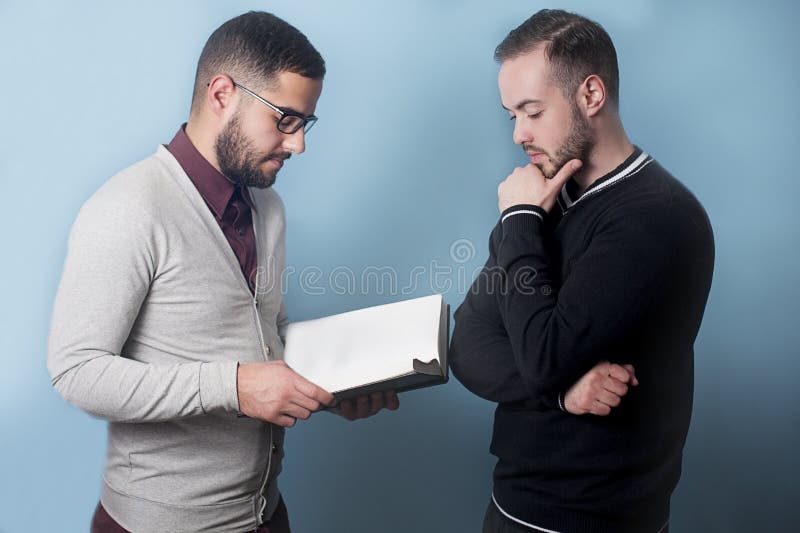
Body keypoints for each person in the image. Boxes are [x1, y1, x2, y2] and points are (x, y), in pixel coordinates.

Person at [47, 11, 397, 533]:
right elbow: (76, 371)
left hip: (264, 516)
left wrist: (328, 389)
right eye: (285, 119)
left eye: (305, 122)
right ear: (221, 95)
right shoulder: (128, 207)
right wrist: (233, 387)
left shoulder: (269, 208)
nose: (299, 143)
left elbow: (263, 338)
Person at [449, 9, 714, 533]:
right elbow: (469, 343)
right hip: (512, 506)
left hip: (594, 519)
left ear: (591, 95)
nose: (519, 134)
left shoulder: (654, 217)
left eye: (532, 112)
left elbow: (544, 355)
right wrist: (562, 393)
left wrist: (519, 220)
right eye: (512, 116)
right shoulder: (548, 199)